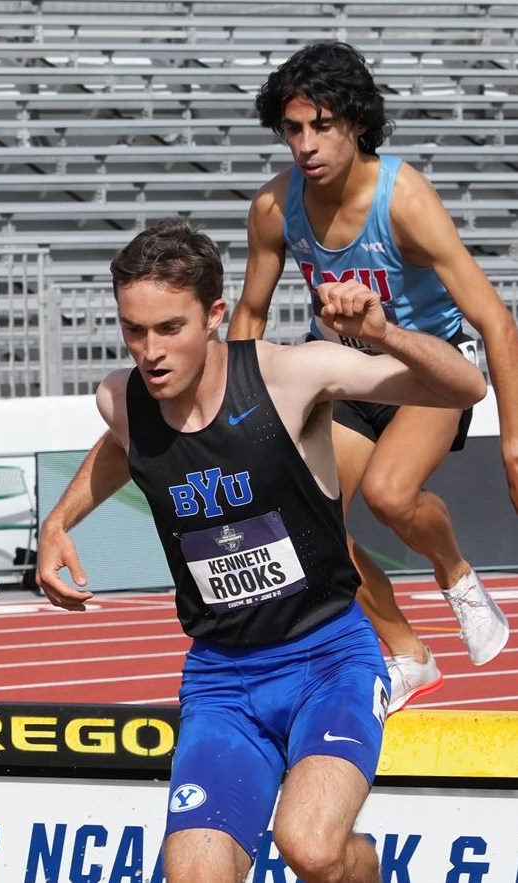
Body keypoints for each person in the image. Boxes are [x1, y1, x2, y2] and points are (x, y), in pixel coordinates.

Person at [37, 220, 486, 882]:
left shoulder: (289, 377)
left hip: (328, 660)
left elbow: (464, 388)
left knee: (312, 845)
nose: (150, 351)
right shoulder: (121, 396)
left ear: (215, 315)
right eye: (135, 331)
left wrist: (386, 332)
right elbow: (122, 443)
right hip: (222, 681)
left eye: (170, 328)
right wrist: (59, 520)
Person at [230, 40, 515, 713]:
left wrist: (511, 441)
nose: (306, 145)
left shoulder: (405, 199)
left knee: (390, 494)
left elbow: (496, 322)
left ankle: (457, 573)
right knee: (305, 528)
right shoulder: (275, 208)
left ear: (356, 122)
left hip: (422, 368)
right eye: (293, 129)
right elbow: (248, 312)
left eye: (321, 126)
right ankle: (408, 654)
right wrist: (234, 412)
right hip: (342, 375)